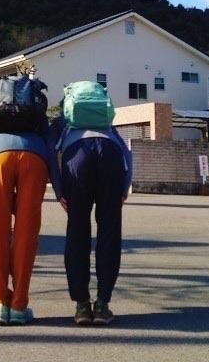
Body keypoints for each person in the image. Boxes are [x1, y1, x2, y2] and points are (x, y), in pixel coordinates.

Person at [0, 73, 61, 326]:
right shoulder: (36, 105)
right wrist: (60, 189)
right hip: (34, 157)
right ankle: (18, 305)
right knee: (27, 231)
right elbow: (50, 143)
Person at [52, 79, 133, 326]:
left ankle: (82, 306)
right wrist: (124, 187)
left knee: (77, 231)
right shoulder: (105, 122)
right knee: (109, 232)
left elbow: (50, 151)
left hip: (76, 159)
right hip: (110, 156)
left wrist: (59, 190)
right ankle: (102, 305)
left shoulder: (64, 120)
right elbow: (126, 152)